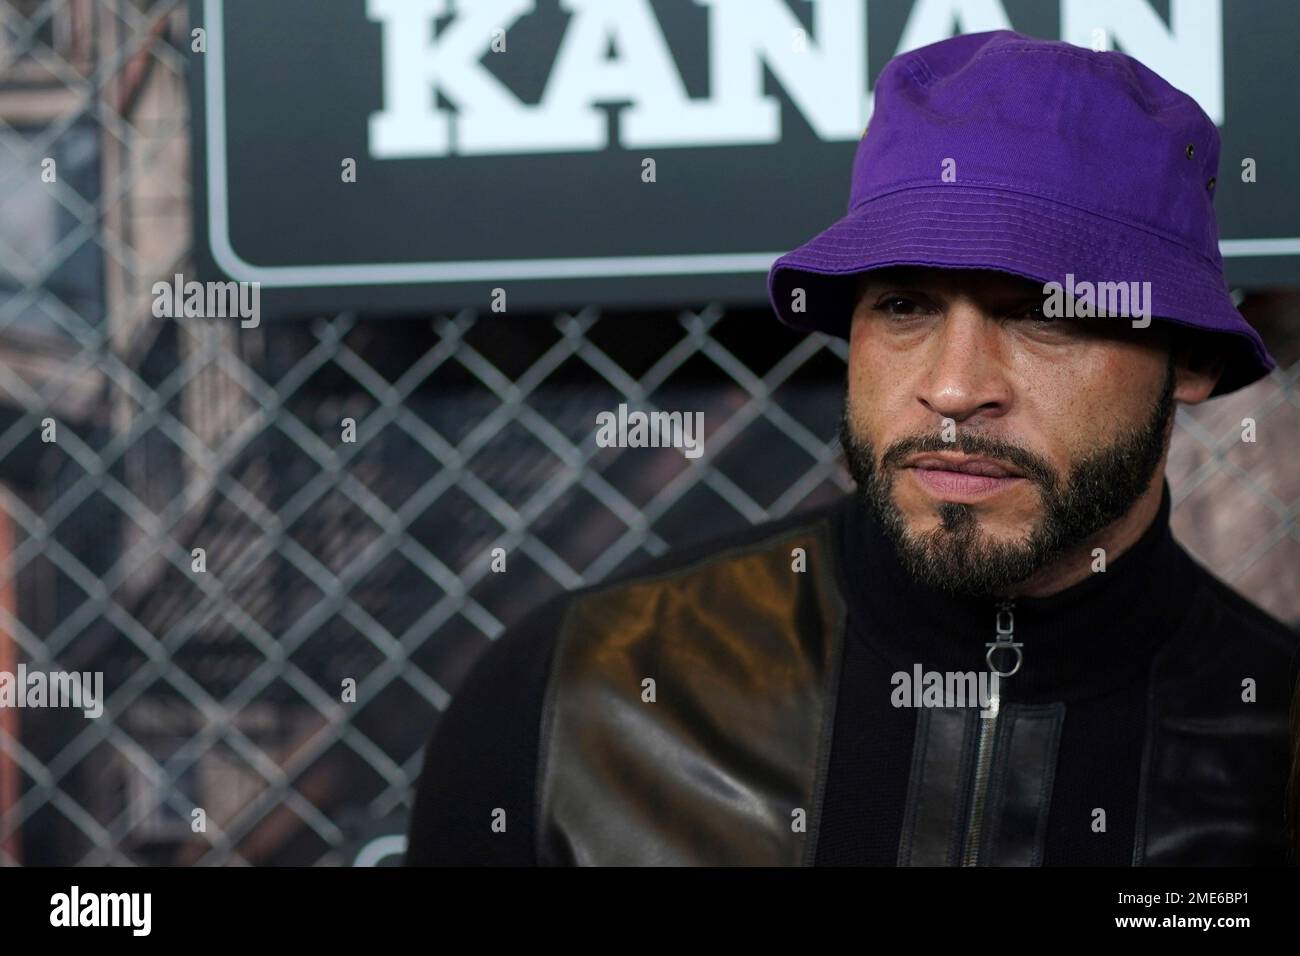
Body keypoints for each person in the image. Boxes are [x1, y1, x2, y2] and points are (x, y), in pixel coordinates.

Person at [405, 30, 1297, 866]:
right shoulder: (580, 693)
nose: (952, 389)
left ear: (1191, 357)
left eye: (1047, 314)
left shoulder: (1274, 741)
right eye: (905, 306)